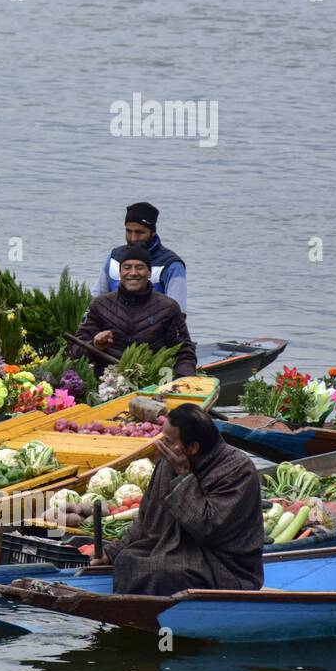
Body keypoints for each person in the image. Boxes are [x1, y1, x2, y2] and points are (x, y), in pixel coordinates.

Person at [91, 404, 263, 595]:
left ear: (193, 447)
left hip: (224, 566)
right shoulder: (168, 463)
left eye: (168, 440)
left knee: (160, 571)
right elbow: (146, 519)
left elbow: (208, 528)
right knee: (127, 559)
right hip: (172, 551)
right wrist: (113, 552)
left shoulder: (238, 470)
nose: (161, 445)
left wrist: (183, 476)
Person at [74, 244, 197, 378]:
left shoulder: (169, 307)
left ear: (149, 272)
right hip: (105, 383)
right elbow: (75, 349)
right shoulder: (99, 305)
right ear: (120, 273)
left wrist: (183, 381)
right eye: (127, 267)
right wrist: (95, 345)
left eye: (140, 267)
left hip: (153, 382)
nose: (133, 273)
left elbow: (184, 352)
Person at [96, 202, 187, 314]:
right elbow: (97, 298)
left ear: (153, 232)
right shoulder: (114, 257)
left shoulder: (172, 265)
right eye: (129, 231)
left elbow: (178, 312)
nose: (133, 238)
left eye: (139, 232)